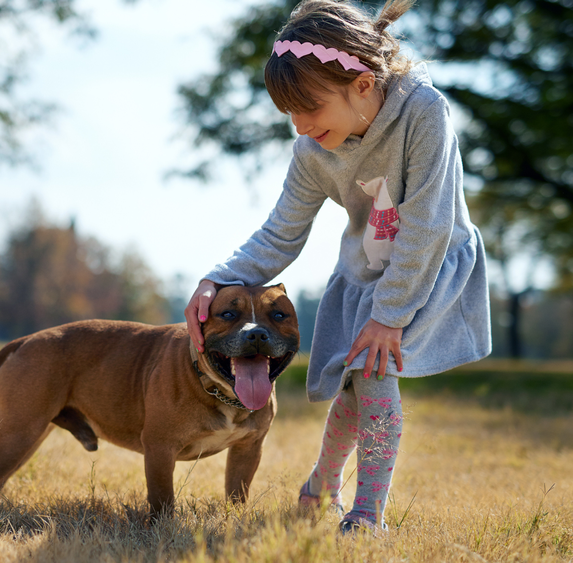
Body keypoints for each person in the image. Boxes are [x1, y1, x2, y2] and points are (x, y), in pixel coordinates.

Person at [184, 0, 491, 534]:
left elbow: (427, 227)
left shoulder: (423, 112)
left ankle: (366, 514)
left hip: (425, 268)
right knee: (356, 384)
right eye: (290, 114)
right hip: (365, 275)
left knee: (373, 376)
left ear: (363, 83)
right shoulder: (312, 151)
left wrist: (390, 315)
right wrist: (218, 277)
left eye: (311, 107)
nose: (301, 126)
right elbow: (280, 233)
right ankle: (320, 488)